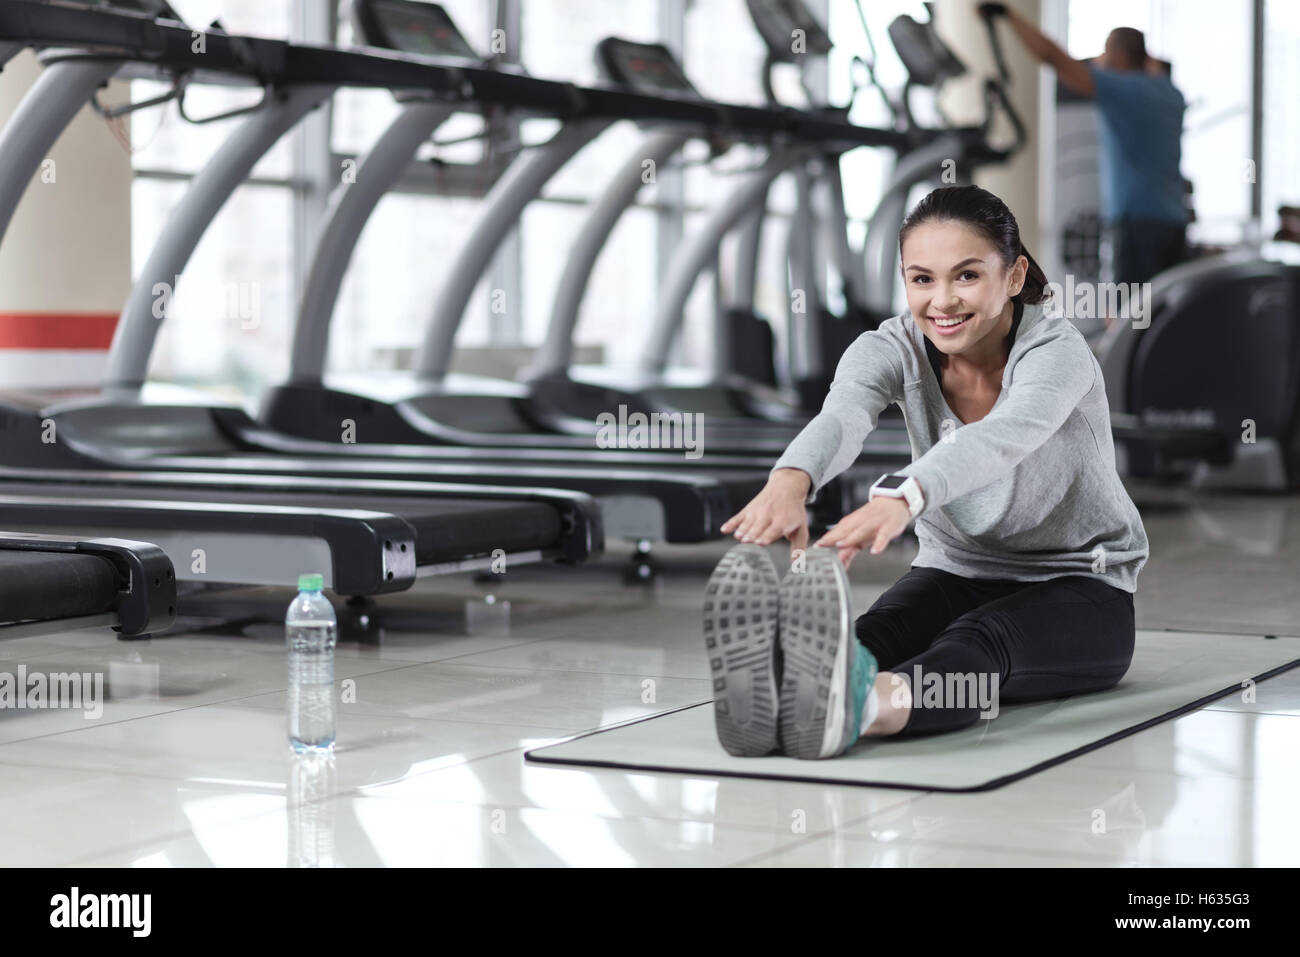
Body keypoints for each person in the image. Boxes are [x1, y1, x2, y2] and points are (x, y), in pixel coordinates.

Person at [702, 185, 1149, 761]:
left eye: (966, 276)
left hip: (1084, 584)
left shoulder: (1055, 352)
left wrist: (903, 494)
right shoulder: (891, 346)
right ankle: (781, 688)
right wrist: (792, 479)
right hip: (957, 568)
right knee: (875, 632)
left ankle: (857, 707)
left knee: (978, 642)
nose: (943, 301)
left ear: (1013, 277)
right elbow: (842, 417)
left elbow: (1000, 437)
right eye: (921, 279)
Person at [979, 3, 1188, 286]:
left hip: (1137, 225)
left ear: (1122, 56)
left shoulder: (1123, 90)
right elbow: (1150, 66)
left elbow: (1052, 57)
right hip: (1173, 222)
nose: (1100, 60)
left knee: (1129, 315)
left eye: (1105, 52)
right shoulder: (1170, 92)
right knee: (1159, 315)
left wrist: (1009, 15)